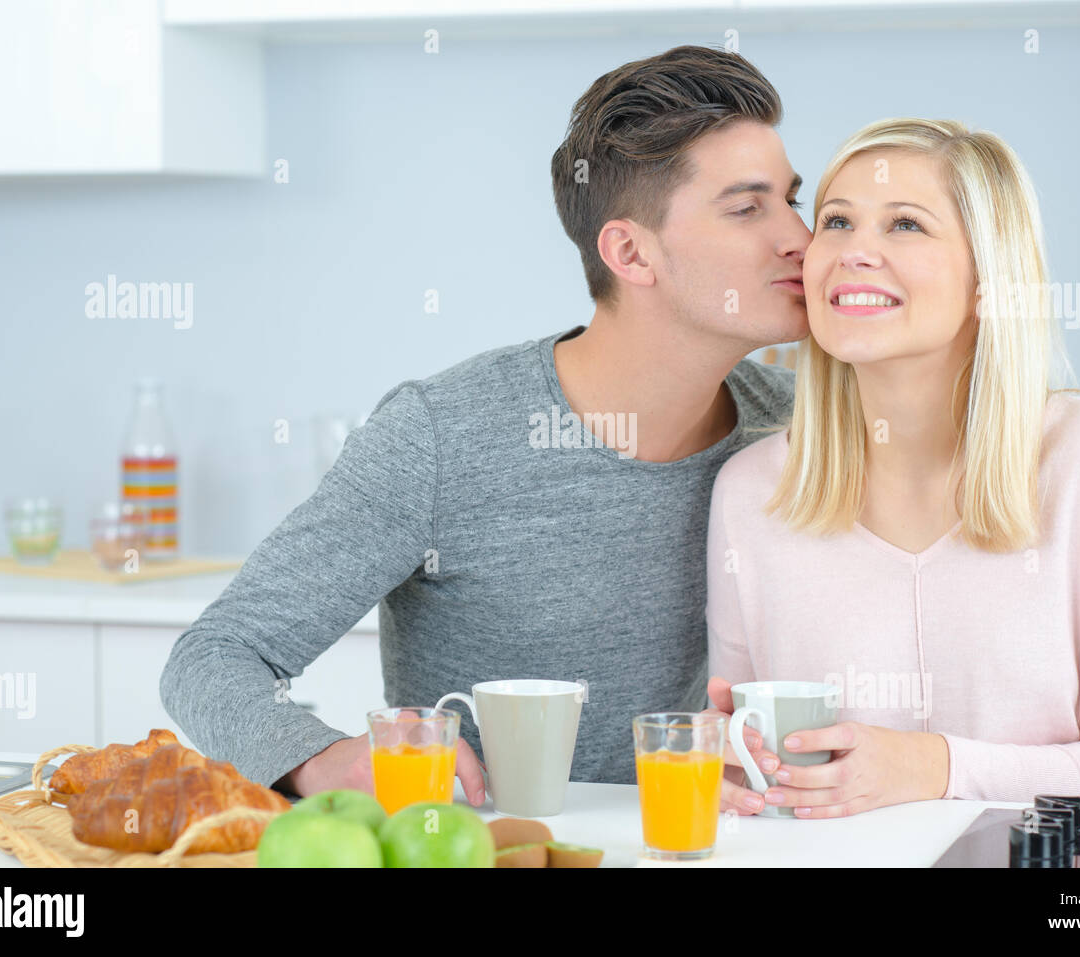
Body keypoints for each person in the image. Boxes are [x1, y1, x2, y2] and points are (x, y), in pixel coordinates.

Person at [160, 44, 812, 800]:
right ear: (632, 251)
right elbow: (215, 655)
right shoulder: (442, 437)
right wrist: (319, 758)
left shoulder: (797, 429)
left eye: (792, 200)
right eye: (747, 207)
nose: (799, 237)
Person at [706, 118, 1080, 818]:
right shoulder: (752, 491)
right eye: (836, 221)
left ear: (990, 280)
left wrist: (930, 766)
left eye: (904, 225)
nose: (854, 252)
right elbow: (744, 761)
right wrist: (731, 762)